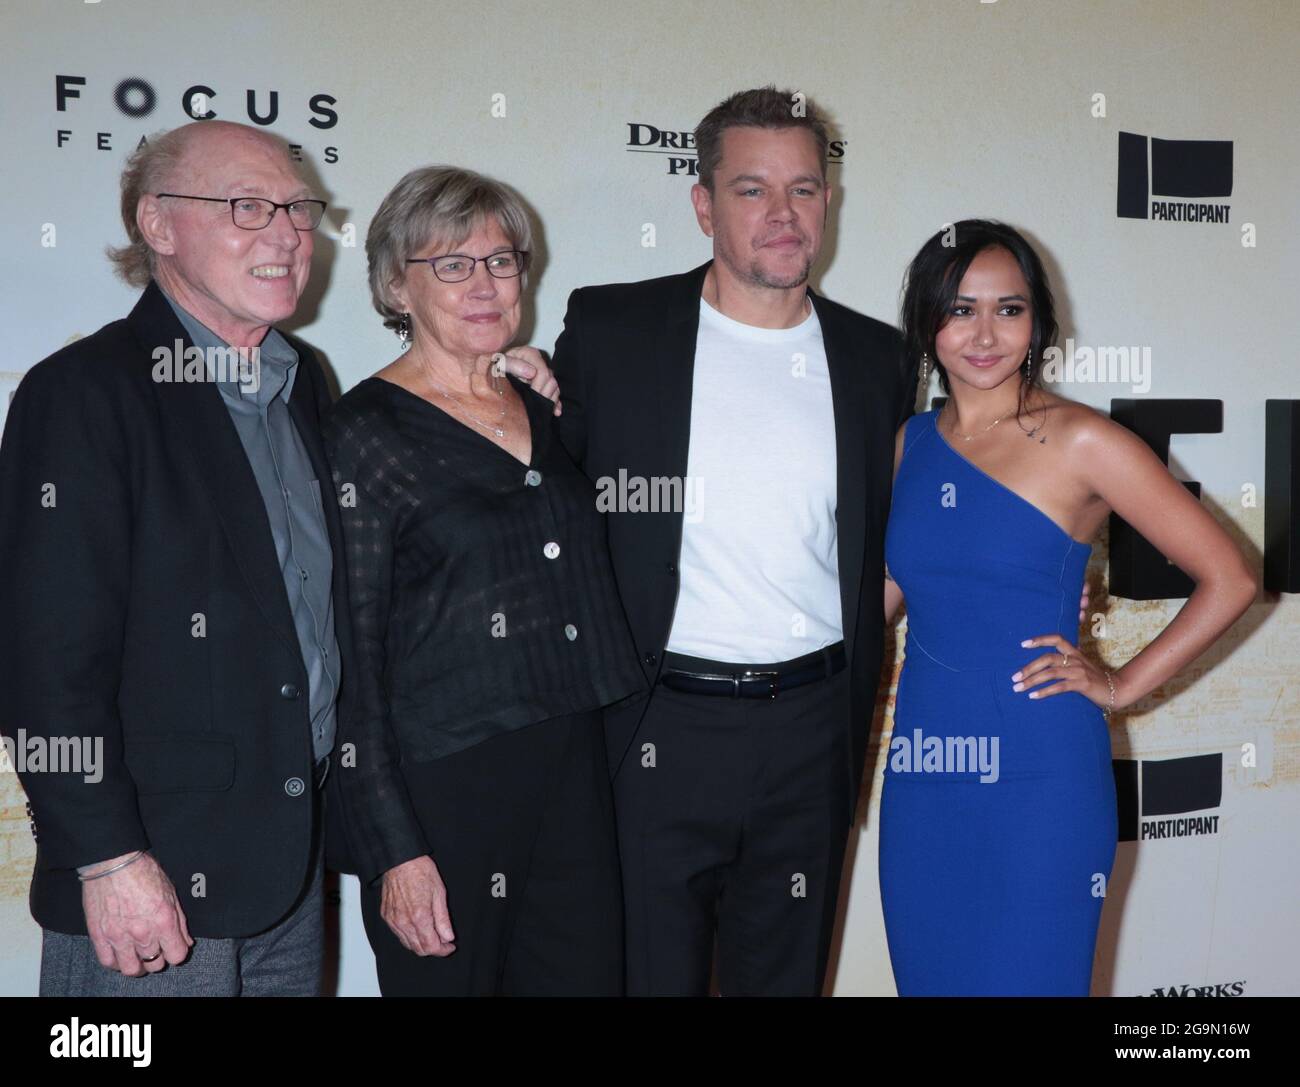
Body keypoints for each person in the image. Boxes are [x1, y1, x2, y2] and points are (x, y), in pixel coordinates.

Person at [0, 122, 554, 997]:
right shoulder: (84, 394)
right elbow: (41, 661)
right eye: (246, 207)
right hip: (150, 880)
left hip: (287, 871)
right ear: (158, 223)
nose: (288, 233)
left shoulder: (305, 385)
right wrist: (105, 858)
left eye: (298, 208)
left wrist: (499, 376)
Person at [546, 86, 912, 996]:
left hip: (811, 728)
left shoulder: (878, 360)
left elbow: (897, 537)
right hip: (654, 725)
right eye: (752, 191)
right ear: (703, 204)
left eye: (804, 189)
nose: (783, 215)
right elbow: (539, 511)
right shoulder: (613, 330)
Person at [878, 219, 1257, 995]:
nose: (984, 334)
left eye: (1008, 309)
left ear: (1039, 322)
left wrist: (1118, 684)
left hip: (1039, 775)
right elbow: (878, 601)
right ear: (926, 322)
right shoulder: (908, 444)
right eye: (959, 309)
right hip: (923, 774)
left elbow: (1231, 577)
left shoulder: (1084, 440)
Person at [323, 165, 645, 996]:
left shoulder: (541, 405)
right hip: (443, 786)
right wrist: (393, 848)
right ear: (397, 283)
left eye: (501, 262)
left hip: (572, 764)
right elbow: (348, 661)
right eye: (451, 265)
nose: (484, 283)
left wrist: (550, 400)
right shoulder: (362, 432)